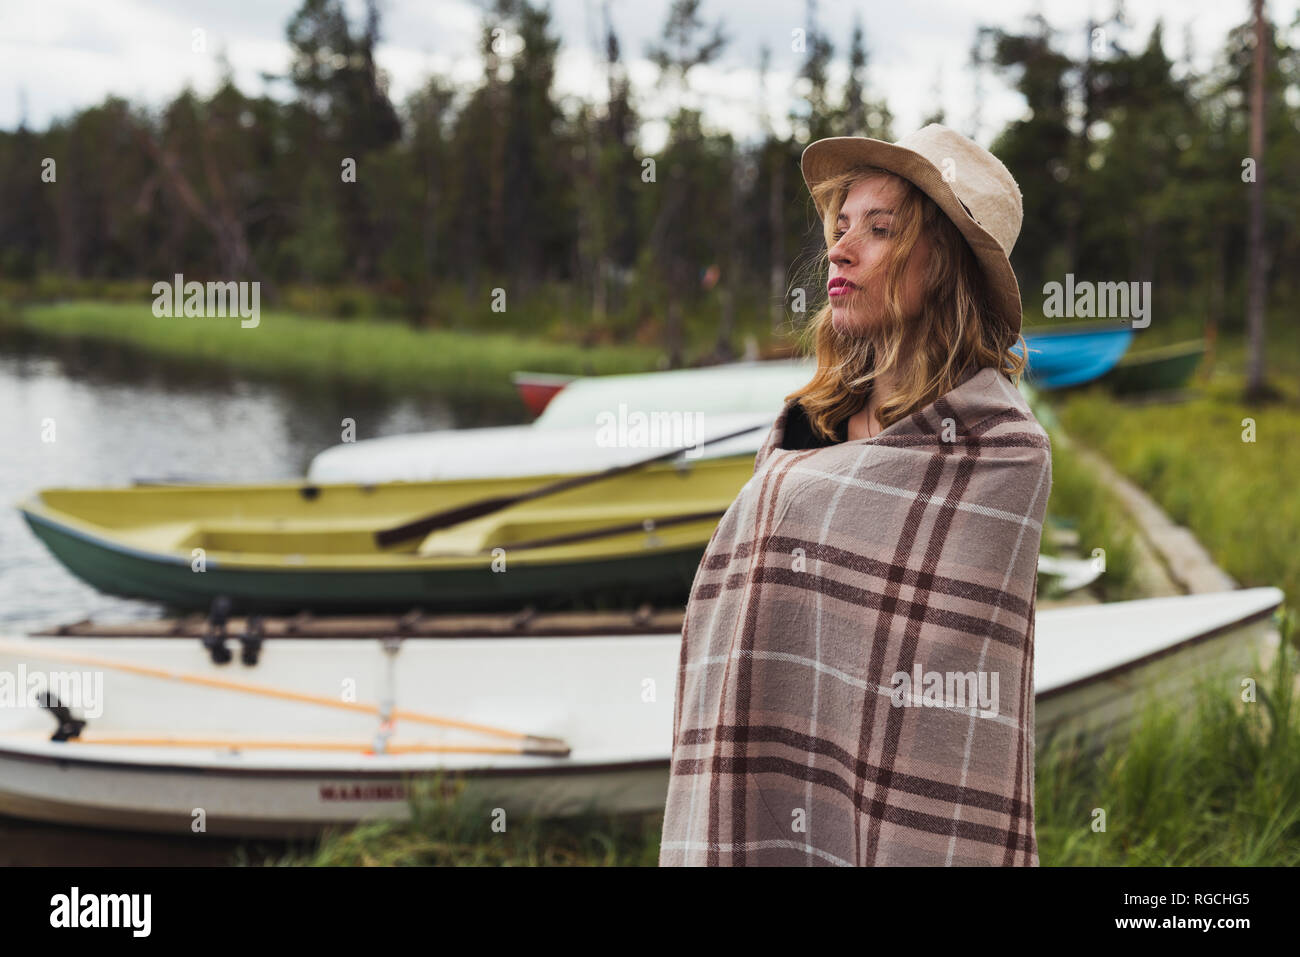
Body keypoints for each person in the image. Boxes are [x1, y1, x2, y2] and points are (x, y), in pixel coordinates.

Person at [659, 124, 1052, 866]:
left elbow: (949, 710)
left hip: (909, 817)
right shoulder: (807, 425)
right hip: (767, 772)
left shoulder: (1002, 452)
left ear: (946, 265)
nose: (840, 249)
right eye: (842, 227)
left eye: (881, 230)